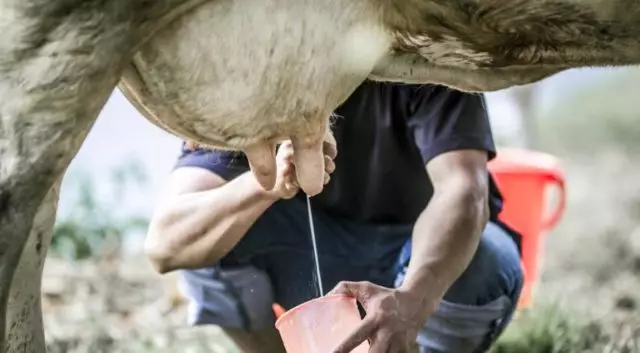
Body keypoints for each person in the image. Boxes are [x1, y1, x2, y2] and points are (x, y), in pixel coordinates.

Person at [144, 81, 524, 353]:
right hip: (320, 269)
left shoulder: (429, 56)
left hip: (422, 264)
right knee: (205, 240)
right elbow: (166, 244)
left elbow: (464, 191)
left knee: (486, 259)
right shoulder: (251, 85)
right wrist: (266, 184)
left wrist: (413, 301)